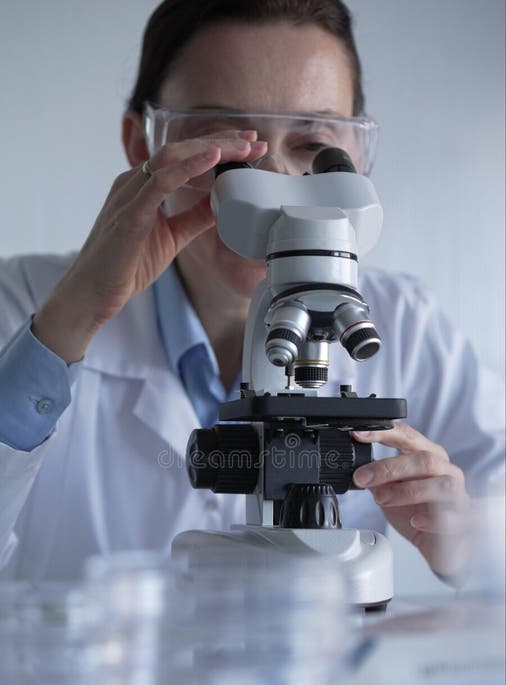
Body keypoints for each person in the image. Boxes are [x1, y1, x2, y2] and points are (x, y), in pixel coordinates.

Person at [0, 0, 503, 582]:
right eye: (226, 148)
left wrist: (470, 538)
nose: (278, 186)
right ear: (143, 148)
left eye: (314, 146)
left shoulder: (406, 322)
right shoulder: (29, 305)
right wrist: (67, 325)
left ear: (357, 155)